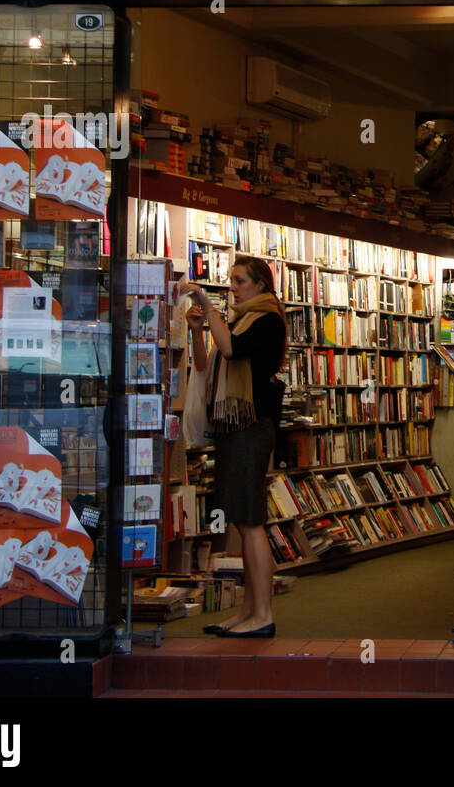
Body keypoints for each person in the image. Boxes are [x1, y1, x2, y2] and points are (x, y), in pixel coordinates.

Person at [180, 256, 286, 638]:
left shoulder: (268, 319)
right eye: (231, 280)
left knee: (252, 522)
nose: (233, 287)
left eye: (240, 280)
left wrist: (208, 308)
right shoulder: (240, 320)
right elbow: (206, 364)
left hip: (251, 428)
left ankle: (263, 614)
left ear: (260, 284)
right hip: (234, 429)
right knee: (243, 520)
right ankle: (249, 612)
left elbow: (230, 350)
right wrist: (197, 329)